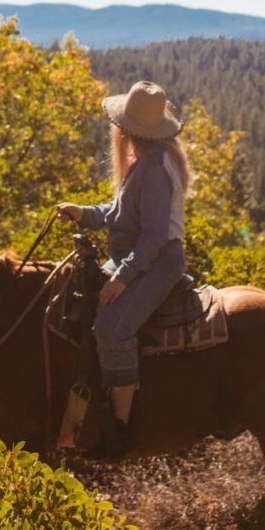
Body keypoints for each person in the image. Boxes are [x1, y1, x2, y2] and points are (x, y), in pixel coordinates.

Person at [58, 79, 190, 458]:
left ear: (127, 128)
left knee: (112, 327)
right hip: (140, 256)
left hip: (157, 262)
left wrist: (122, 277)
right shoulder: (143, 162)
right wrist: (83, 213)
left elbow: (151, 238)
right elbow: (118, 214)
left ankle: (119, 431)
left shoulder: (152, 169)